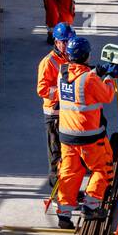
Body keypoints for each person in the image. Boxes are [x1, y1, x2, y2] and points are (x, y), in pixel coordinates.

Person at [54, 36, 118, 230]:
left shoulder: (62, 72)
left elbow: (79, 81)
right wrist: (109, 77)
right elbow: (107, 95)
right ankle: (91, 206)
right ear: (87, 55)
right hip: (89, 136)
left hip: (66, 135)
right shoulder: (90, 79)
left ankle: (64, 215)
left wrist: (96, 71)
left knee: (69, 173)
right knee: (103, 168)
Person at [36, 22, 74, 185]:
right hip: (54, 114)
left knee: (68, 152)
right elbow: (42, 89)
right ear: (56, 42)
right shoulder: (48, 62)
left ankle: (67, 185)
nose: (68, 44)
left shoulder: (70, 57)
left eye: (69, 41)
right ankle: (56, 186)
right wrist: (64, 92)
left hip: (67, 112)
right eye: (65, 41)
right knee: (56, 153)